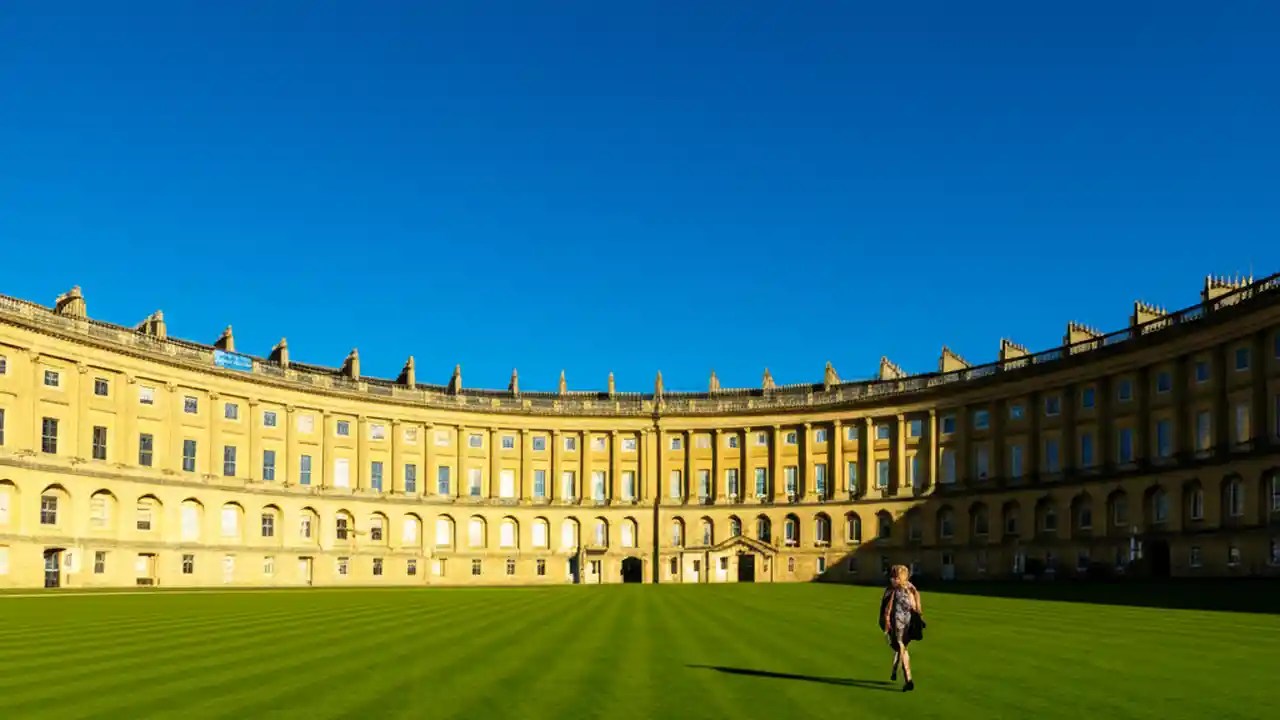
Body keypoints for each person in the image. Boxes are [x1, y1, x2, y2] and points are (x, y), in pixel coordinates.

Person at [879, 564, 923, 692]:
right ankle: (895, 671)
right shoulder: (910, 587)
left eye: (894, 575)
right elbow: (916, 605)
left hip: (898, 623)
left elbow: (887, 608)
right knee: (902, 648)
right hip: (908, 623)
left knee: (901, 647)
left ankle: (908, 679)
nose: (892, 578)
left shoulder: (894, 589)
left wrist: (886, 622)